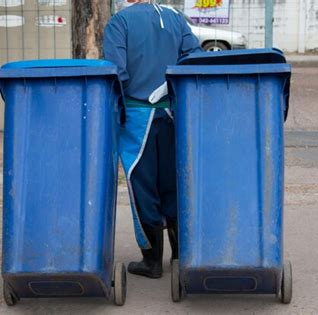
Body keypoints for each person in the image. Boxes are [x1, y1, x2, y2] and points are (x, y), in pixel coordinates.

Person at [104, 0, 202, 278]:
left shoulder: (119, 22)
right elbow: (193, 57)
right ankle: (181, 256)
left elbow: (116, 72)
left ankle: (152, 261)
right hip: (173, 113)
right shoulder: (176, 19)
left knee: (142, 184)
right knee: (174, 182)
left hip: (137, 116)